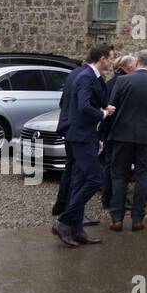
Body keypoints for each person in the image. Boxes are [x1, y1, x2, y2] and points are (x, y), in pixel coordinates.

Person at [52, 44, 115, 248]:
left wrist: (104, 107)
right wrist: (103, 114)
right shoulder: (86, 76)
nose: (112, 62)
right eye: (111, 58)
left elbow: (72, 103)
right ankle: (64, 221)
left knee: (79, 182)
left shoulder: (85, 75)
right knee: (95, 178)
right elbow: (83, 105)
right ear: (103, 58)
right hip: (81, 136)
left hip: (79, 133)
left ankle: (77, 230)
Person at [106, 50, 147, 231]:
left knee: (119, 175)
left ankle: (117, 218)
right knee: (143, 175)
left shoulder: (122, 81)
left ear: (137, 62)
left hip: (122, 134)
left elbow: (112, 106)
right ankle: (137, 218)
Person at [99, 55, 137, 211]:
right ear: (128, 68)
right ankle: (117, 199)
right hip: (119, 131)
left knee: (110, 165)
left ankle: (107, 197)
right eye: (135, 66)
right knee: (120, 168)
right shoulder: (124, 83)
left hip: (109, 130)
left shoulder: (110, 82)